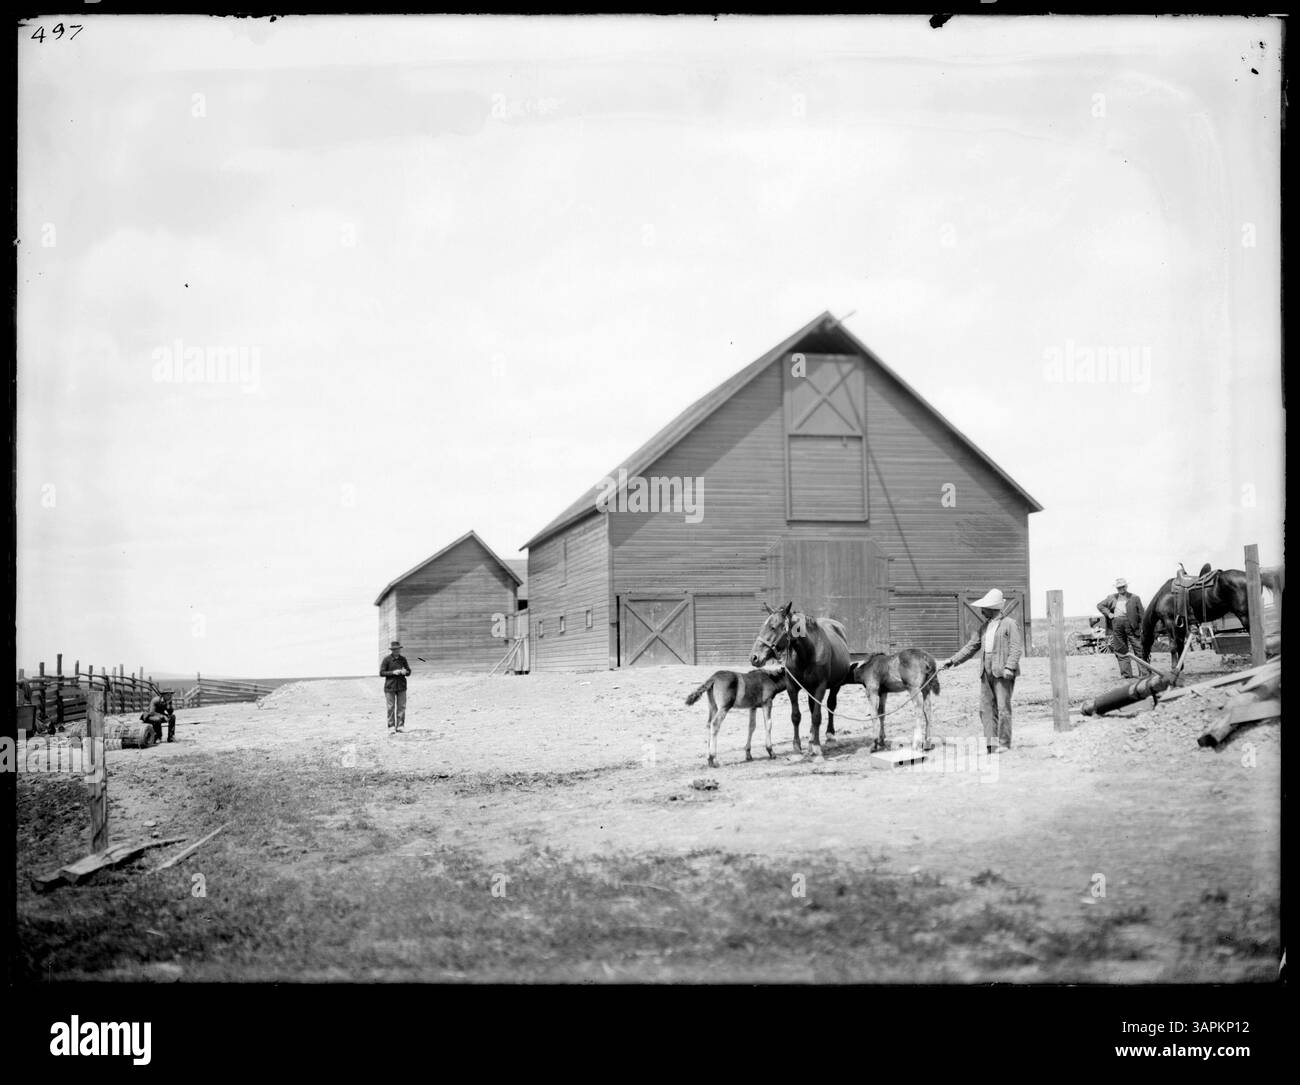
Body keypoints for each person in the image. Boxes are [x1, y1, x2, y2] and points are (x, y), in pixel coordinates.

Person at [939, 588, 1022, 753]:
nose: (982, 611)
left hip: (1002, 671)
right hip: (986, 671)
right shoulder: (984, 627)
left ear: (992, 608)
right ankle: (991, 744)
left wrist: (1009, 667)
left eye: (984, 608)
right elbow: (971, 647)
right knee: (985, 708)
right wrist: (952, 660)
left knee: (1003, 708)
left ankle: (1004, 743)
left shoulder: (1009, 624)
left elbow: (1015, 648)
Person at [1097, 577, 1144, 678]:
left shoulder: (1135, 597)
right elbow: (1100, 605)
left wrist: (1141, 627)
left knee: (1139, 648)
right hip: (1117, 625)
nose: (1121, 589)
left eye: (1122, 587)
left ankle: (1144, 673)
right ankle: (1126, 674)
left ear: (1126, 586)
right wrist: (1109, 613)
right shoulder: (1111, 597)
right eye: (1119, 588)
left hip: (1132, 625)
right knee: (1120, 649)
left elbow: (1141, 614)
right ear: (1116, 588)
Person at [380, 639, 411, 733]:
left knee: (401, 706)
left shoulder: (403, 659)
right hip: (390, 687)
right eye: (395, 649)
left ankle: (400, 726)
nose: (397, 651)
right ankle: (391, 727)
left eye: (398, 649)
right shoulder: (386, 659)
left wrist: (406, 672)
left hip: (402, 686)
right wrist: (393, 672)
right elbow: (381, 673)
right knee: (391, 707)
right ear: (392, 650)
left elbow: (409, 671)